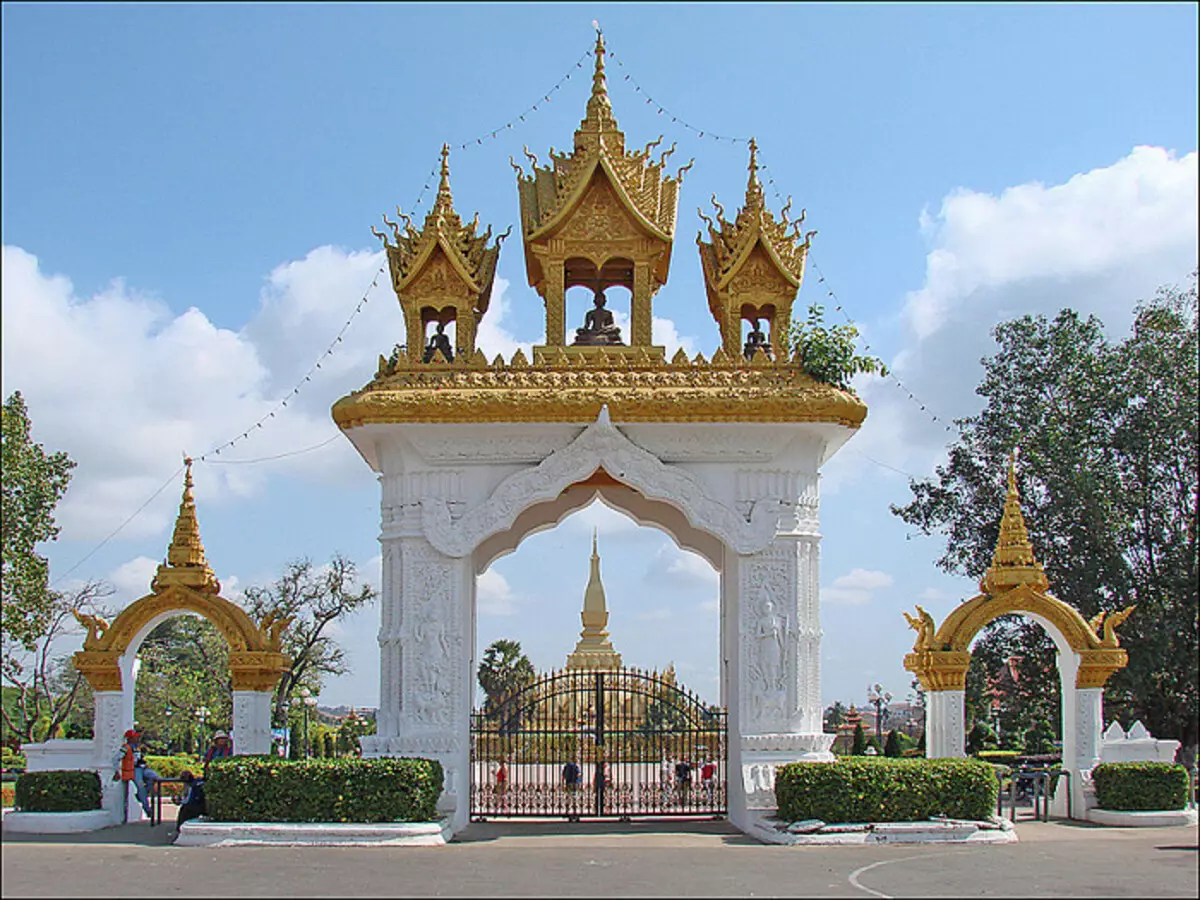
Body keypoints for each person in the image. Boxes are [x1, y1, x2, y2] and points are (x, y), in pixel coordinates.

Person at [113, 728, 156, 819]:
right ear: (130, 738)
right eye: (135, 737)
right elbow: (116, 759)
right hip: (134, 770)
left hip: (142, 768)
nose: (137, 739)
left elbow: (139, 759)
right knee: (140, 786)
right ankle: (147, 809)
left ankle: (142, 795)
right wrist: (117, 771)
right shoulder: (126, 747)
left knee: (155, 778)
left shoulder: (137, 748)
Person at [168, 770, 206, 844]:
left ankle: (177, 831)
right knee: (184, 809)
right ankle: (178, 830)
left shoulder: (192, 786)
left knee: (184, 810)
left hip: (197, 807)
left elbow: (189, 801)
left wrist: (179, 801)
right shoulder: (196, 783)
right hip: (200, 805)